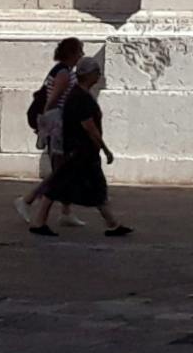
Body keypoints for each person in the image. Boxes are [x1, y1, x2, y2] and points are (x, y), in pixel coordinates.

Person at [38, 55, 131, 238]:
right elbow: (89, 126)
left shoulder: (78, 95)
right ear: (89, 75)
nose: (99, 75)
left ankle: (113, 223)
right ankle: (39, 221)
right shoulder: (81, 98)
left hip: (79, 150)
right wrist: (105, 148)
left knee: (89, 186)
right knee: (60, 185)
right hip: (81, 151)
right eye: (97, 72)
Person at [18, 38, 83, 230]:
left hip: (59, 126)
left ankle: (66, 212)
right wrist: (46, 127)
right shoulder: (63, 73)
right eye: (80, 51)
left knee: (63, 170)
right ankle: (28, 200)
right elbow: (52, 101)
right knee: (61, 171)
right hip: (58, 127)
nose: (82, 55)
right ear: (71, 53)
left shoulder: (61, 71)